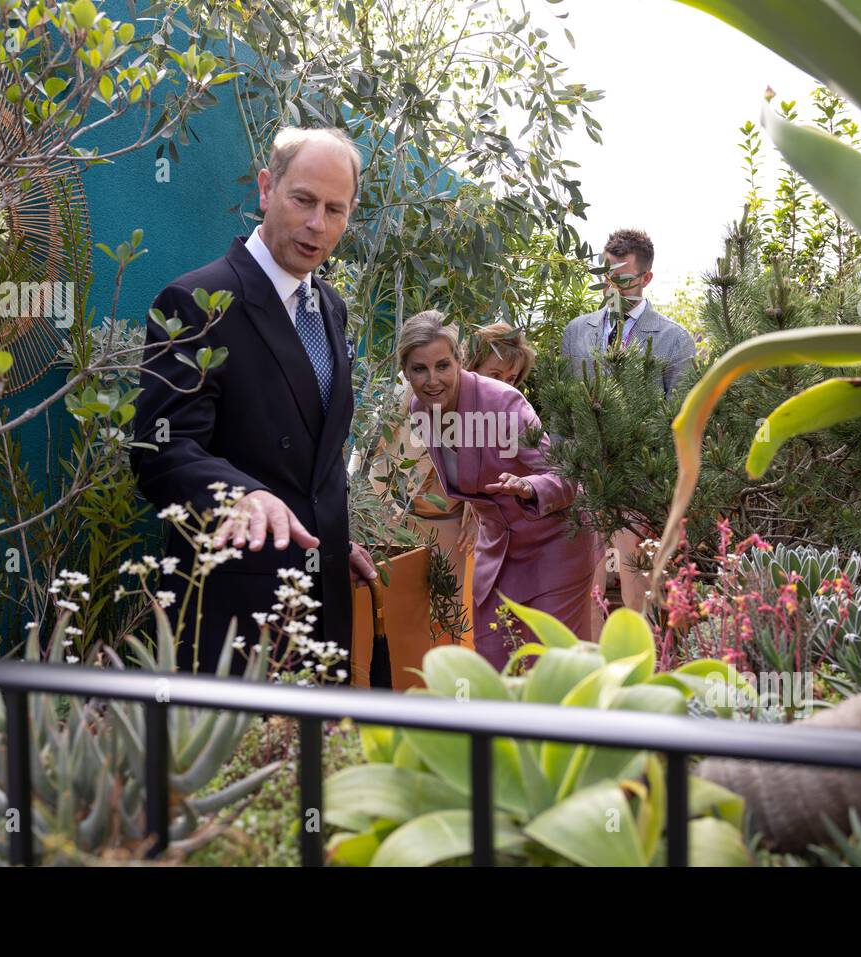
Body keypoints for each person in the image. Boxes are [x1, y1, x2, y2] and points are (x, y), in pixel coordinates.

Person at [131, 126, 377, 675]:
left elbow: (313, 463)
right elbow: (161, 451)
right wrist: (241, 494)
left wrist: (334, 544)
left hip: (322, 602)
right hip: (235, 611)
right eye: (303, 200)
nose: (318, 224)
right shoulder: (196, 301)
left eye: (335, 210)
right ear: (267, 189)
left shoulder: (331, 309)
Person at [399, 310, 597, 670]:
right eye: (419, 369)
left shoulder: (504, 404)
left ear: (460, 362)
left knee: (549, 667)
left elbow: (566, 476)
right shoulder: (421, 409)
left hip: (554, 544)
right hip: (499, 548)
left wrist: (528, 486)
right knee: (493, 658)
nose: (432, 380)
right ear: (405, 371)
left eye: (442, 366)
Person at [560, 229, 696, 625]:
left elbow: (678, 422)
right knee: (587, 587)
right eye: (607, 275)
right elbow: (565, 409)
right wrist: (563, 472)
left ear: (646, 278)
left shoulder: (675, 340)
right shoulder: (576, 332)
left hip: (639, 486)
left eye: (623, 278)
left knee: (639, 589)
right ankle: (591, 677)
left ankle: (640, 675)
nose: (612, 285)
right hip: (585, 480)